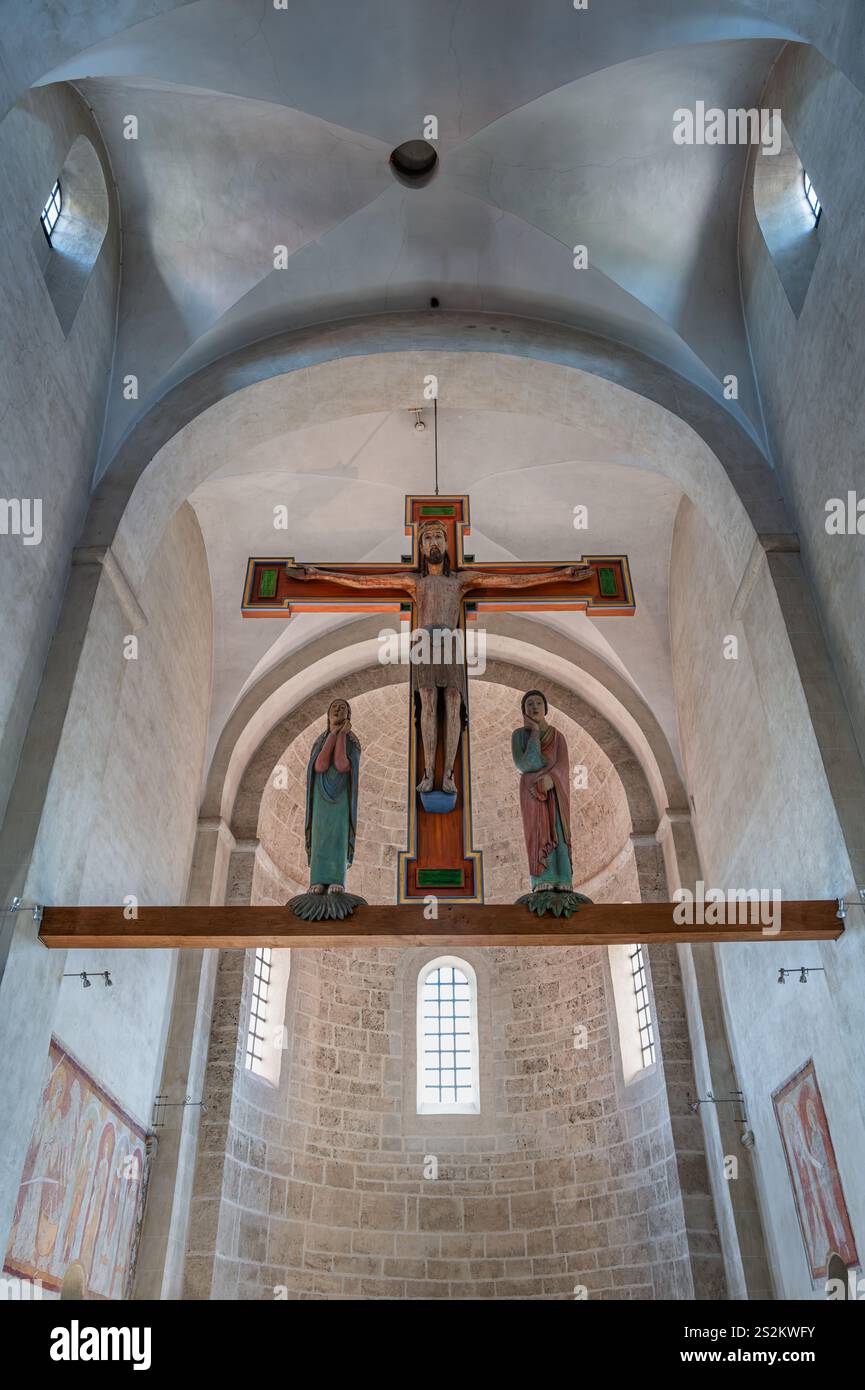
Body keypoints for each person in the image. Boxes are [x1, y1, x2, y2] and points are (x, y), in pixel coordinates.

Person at [511, 689, 573, 892]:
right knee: (537, 833)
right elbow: (526, 764)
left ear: (545, 708)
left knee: (558, 831)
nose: (534, 707)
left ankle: (564, 877)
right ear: (524, 711)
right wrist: (535, 732)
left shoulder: (558, 737)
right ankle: (541, 879)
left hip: (554, 791)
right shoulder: (519, 736)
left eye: (538, 703)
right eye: (529, 704)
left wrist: (553, 779)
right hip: (531, 792)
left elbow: (563, 766)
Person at [304, 698, 361, 893]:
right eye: (334, 708)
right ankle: (317, 881)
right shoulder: (320, 740)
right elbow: (319, 765)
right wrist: (334, 733)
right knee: (321, 834)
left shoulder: (352, 741)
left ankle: (337, 879)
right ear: (328, 715)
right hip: (321, 796)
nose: (337, 710)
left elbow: (342, 765)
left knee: (338, 834)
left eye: (342, 708)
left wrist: (342, 734)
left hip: (342, 797)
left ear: (348, 715)